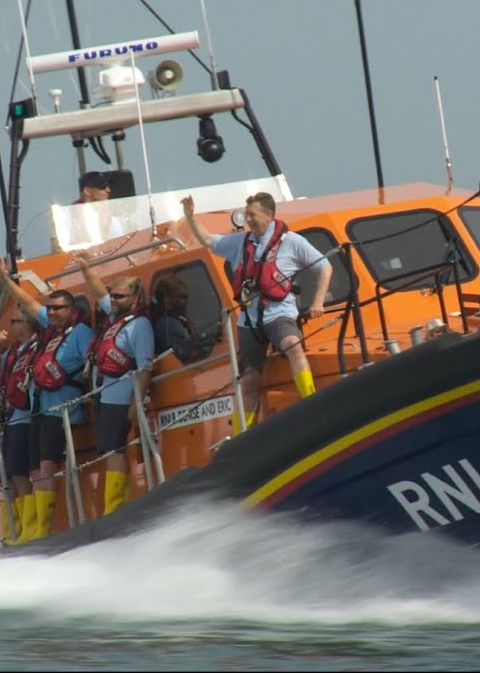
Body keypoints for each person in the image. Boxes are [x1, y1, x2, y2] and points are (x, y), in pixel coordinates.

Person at [181, 191, 332, 433]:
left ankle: (310, 401)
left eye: (252, 215)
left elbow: (324, 266)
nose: (247, 219)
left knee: (293, 344)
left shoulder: (292, 241)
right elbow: (208, 241)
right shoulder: (240, 242)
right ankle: (243, 434)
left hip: (278, 313)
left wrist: (318, 302)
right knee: (249, 380)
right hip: (249, 321)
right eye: (246, 214)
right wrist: (189, 216)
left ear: (269, 215)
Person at [0, 252, 94, 540]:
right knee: (36, 470)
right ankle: (32, 529)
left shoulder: (82, 333)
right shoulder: (50, 330)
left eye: (58, 308)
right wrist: (4, 277)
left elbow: (91, 366)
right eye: (49, 309)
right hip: (40, 408)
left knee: (47, 466)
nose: (52, 313)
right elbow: (27, 301)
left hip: (62, 408)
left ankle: (40, 529)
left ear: (70, 309)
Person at [74, 251, 154, 516]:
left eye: (119, 296)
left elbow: (145, 366)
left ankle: (116, 506)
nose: (113, 299)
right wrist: (86, 270)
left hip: (121, 399)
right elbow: (99, 294)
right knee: (110, 450)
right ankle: (113, 506)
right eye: (113, 295)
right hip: (105, 397)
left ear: (134, 298)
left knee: (116, 451)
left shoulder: (139, 326)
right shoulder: (115, 318)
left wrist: (136, 402)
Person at [0, 310, 41, 543]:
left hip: (24, 417)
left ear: (26, 324)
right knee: (9, 475)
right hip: (10, 418)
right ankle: (15, 528)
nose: (10, 326)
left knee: (21, 474)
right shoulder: (13, 352)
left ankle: (28, 528)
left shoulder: (36, 348)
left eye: (15, 322)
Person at [152, 275, 214, 364]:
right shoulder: (168, 324)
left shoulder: (180, 319)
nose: (187, 301)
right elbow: (185, 354)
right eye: (182, 297)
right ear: (168, 300)